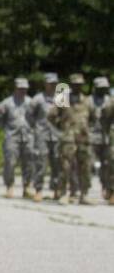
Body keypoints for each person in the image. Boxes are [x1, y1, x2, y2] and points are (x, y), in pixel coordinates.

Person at [48, 73, 96, 205]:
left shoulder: (87, 100)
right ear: (71, 85)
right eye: (75, 85)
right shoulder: (63, 98)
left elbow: (93, 118)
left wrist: (86, 129)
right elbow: (51, 115)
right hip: (68, 139)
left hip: (83, 139)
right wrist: (62, 127)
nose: (78, 87)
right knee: (65, 167)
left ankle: (84, 194)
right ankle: (63, 194)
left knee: (85, 167)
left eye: (80, 85)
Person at [0, 77, 34, 199]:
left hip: (28, 136)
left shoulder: (31, 102)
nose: (23, 91)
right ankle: (9, 186)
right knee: (10, 162)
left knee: (29, 163)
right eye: (20, 88)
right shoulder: (7, 102)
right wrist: (4, 126)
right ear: (16, 88)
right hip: (12, 137)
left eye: (25, 89)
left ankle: (27, 187)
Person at [29, 73, 61, 201]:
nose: (52, 85)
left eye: (54, 83)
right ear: (45, 84)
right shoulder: (38, 99)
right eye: (50, 83)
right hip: (42, 134)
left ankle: (56, 189)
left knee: (57, 162)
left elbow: (66, 115)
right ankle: (38, 189)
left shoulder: (61, 98)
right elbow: (29, 115)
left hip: (57, 135)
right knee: (41, 162)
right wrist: (36, 128)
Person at [91, 77, 110, 202]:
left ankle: (106, 188)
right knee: (88, 164)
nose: (102, 91)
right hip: (90, 136)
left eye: (104, 88)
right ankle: (83, 190)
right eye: (100, 88)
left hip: (106, 137)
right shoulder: (88, 101)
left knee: (107, 164)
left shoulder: (110, 101)